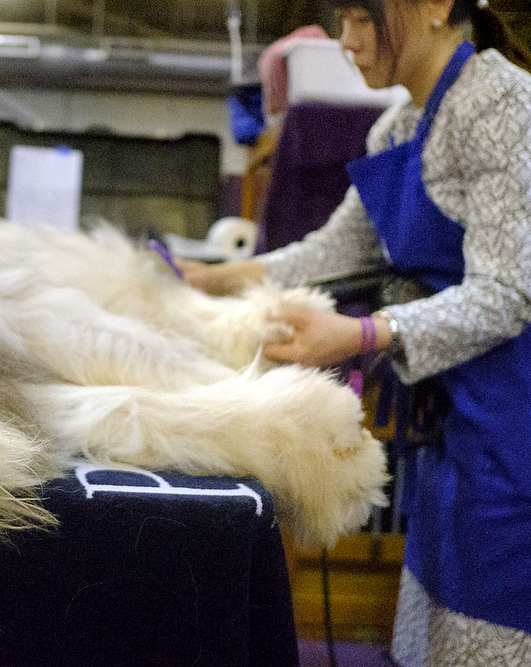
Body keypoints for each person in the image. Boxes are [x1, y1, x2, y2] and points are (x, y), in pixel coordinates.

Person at [179, 0, 531, 663]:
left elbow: (508, 292)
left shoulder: (502, 105)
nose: (347, 42)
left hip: (514, 426)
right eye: (341, 21)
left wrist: (361, 334)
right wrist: (212, 278)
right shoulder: (397, 131)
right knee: (432, 637)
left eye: (362, 20)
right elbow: (331, 251)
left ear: (431, 7)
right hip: (450, 432)